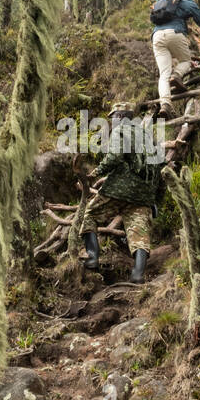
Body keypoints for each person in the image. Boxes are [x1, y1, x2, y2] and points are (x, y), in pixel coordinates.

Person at [80, 103, 164, 283]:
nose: (111, 122)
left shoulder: (120, 132)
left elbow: (114, 157)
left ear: (119, 117)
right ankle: (137, 275)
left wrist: (96, 173)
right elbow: (158, 163)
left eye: (113, 118)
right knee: (139, 233)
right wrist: (152, 197)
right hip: (144, 195)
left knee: (91, 214)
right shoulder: (147, 135)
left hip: (119, 190)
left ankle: (93, 257)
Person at [149, 0, 200, 114]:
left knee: (164, 74)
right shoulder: (188, 2)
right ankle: (176, 75)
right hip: (175, 33)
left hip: (157, 36)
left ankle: (165, 104)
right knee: (186, 61)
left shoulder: (165, 1)